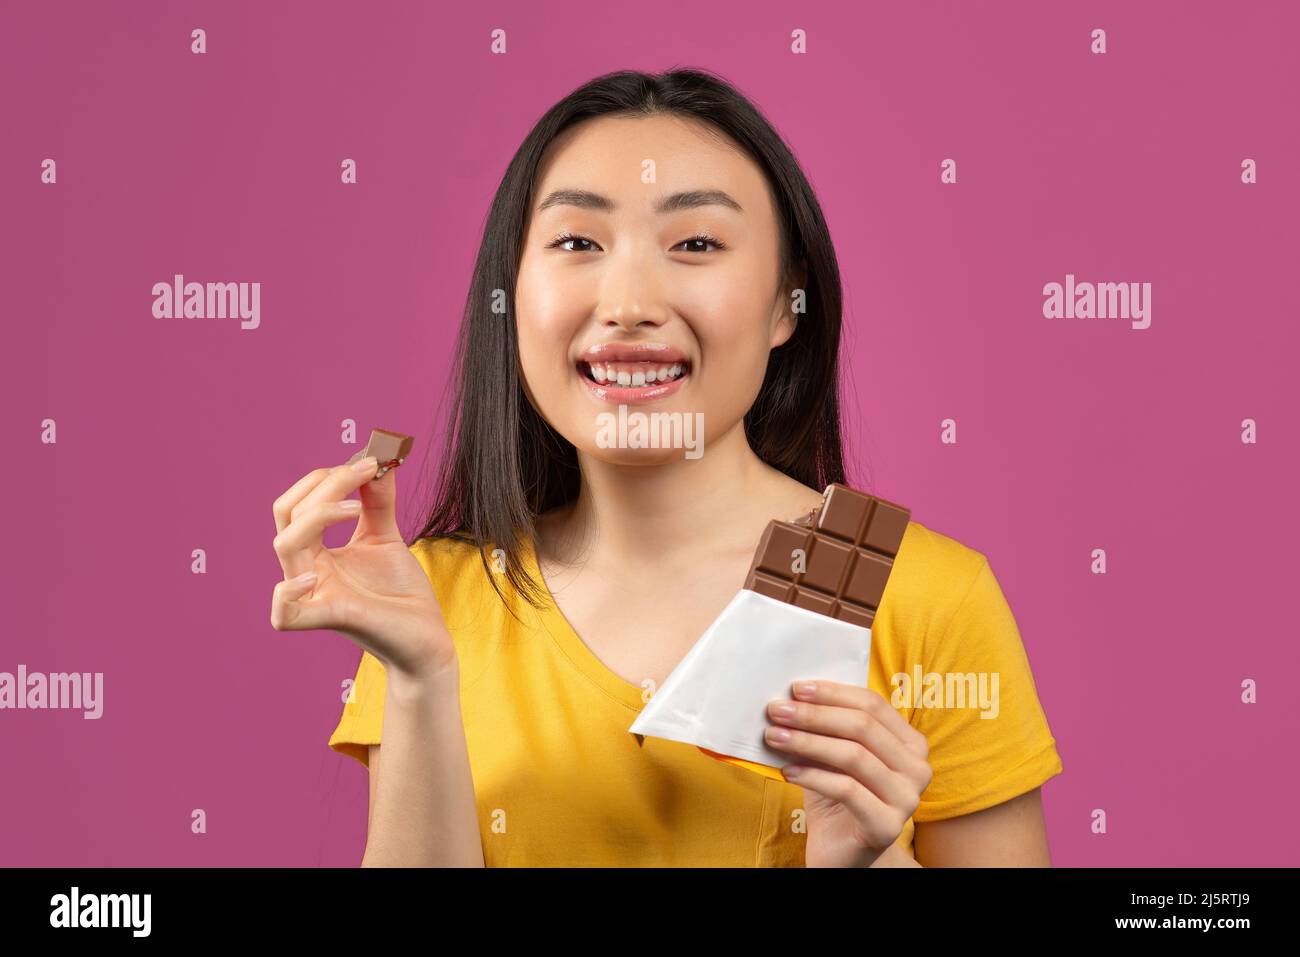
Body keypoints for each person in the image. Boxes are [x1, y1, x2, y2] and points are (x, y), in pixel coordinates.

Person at [270, 68, 1063, 867]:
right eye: (578, 241)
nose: (630, 301)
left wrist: (866, 861)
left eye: (696, 244)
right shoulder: (430, 597)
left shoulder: (929, 596)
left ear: (789, 303)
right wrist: (418, 675)